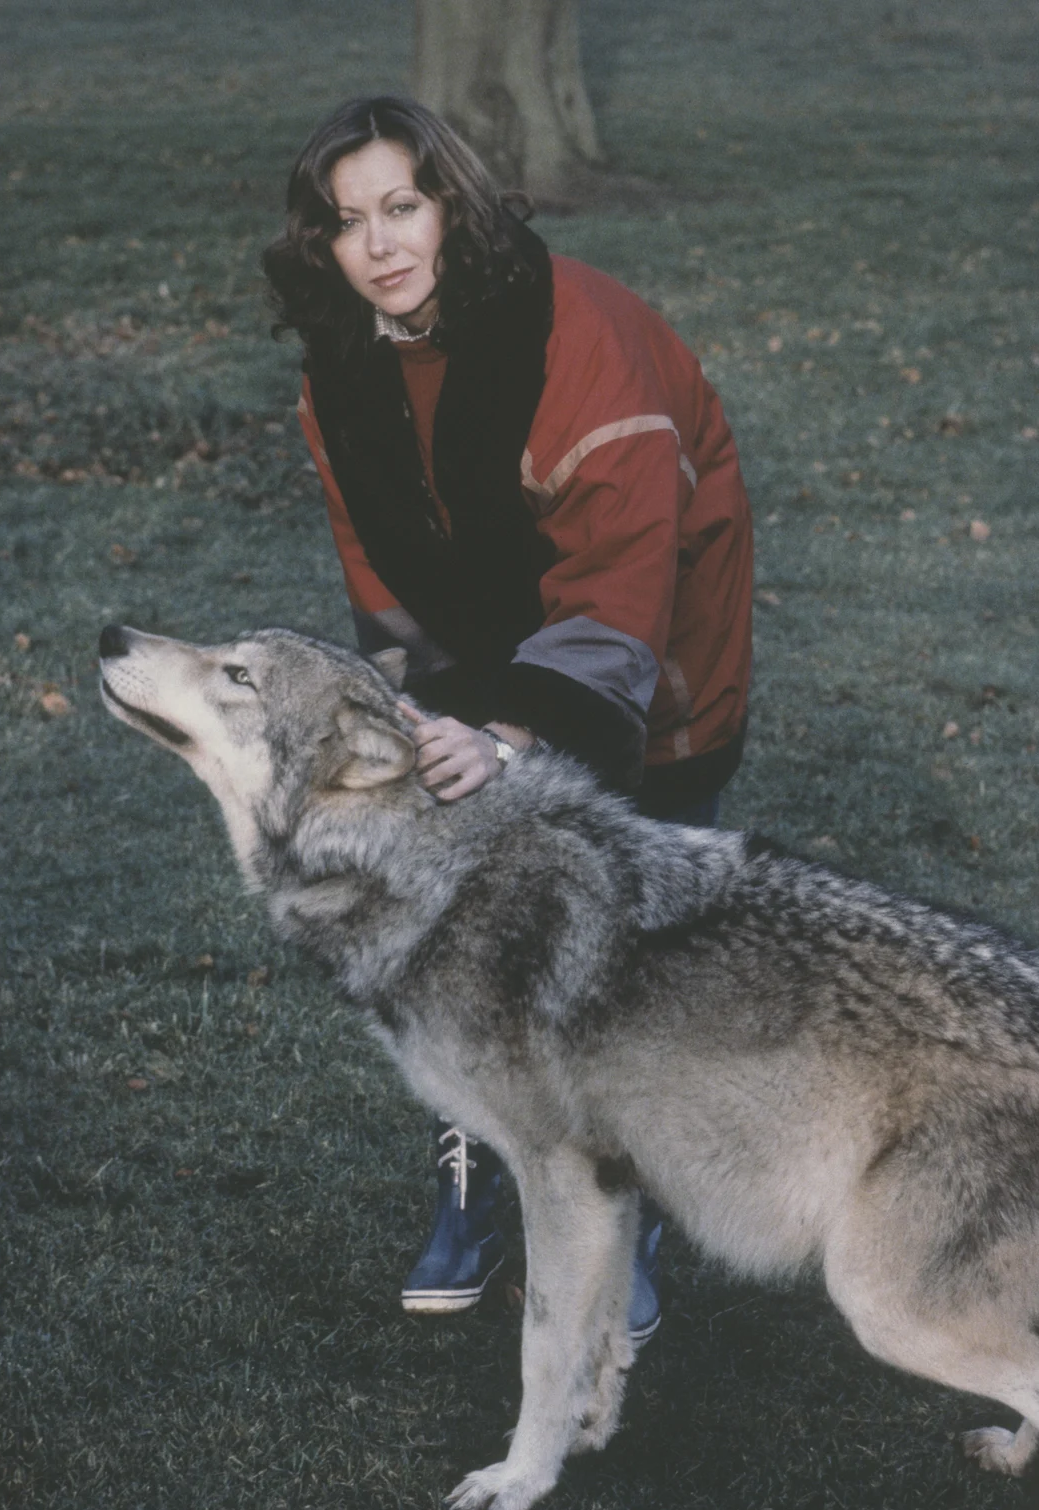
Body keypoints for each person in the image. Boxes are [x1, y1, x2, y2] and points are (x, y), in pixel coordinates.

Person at [263, 94, 753, 1347]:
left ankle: (616, 1220)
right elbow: (380, 569)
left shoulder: (577, 337)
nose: (377, 243)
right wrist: (427, 720)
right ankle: (479, 1176)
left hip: (653, 658)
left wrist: (520, 735)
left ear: (452, 206)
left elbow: (620, 583)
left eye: (402, 206)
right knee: (466, 930)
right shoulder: (341, 368)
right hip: (485, 662)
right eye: (345, 220)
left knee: (620, 953)